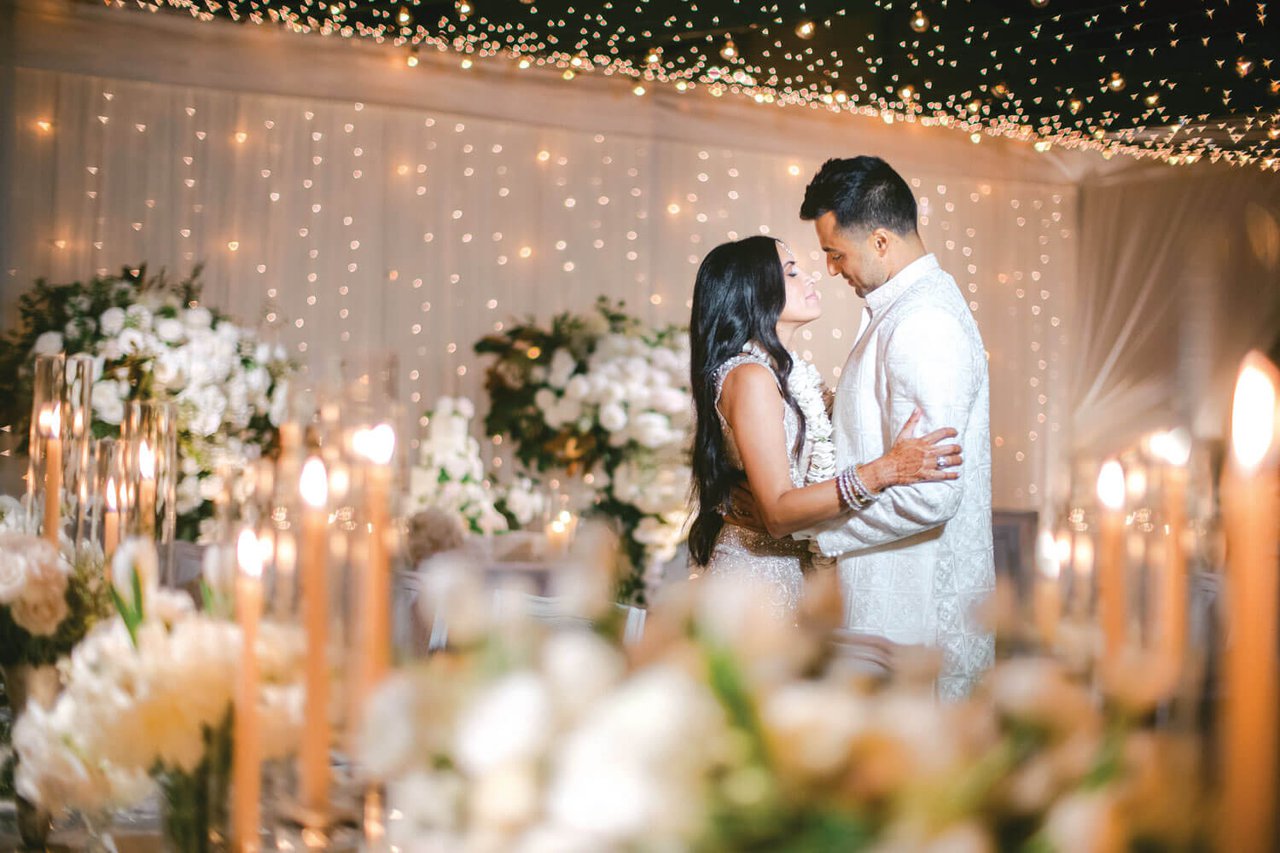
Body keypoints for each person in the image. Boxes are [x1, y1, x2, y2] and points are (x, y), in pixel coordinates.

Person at [792, 156, 995, 699]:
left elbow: (931, 497)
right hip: (883, 593)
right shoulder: (904, 309)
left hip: (907, 604)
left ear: (881, 242)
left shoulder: (924, 323)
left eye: (836, 254)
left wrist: (814, 528)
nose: (832, 270)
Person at [686, 234, 963, 615]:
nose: (812, 278)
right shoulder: (750, 377)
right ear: (755, 291)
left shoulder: (788, 376)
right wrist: (885, 470)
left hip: (798, 577)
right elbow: (779, 513)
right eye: (792, 272)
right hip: (756, 587)